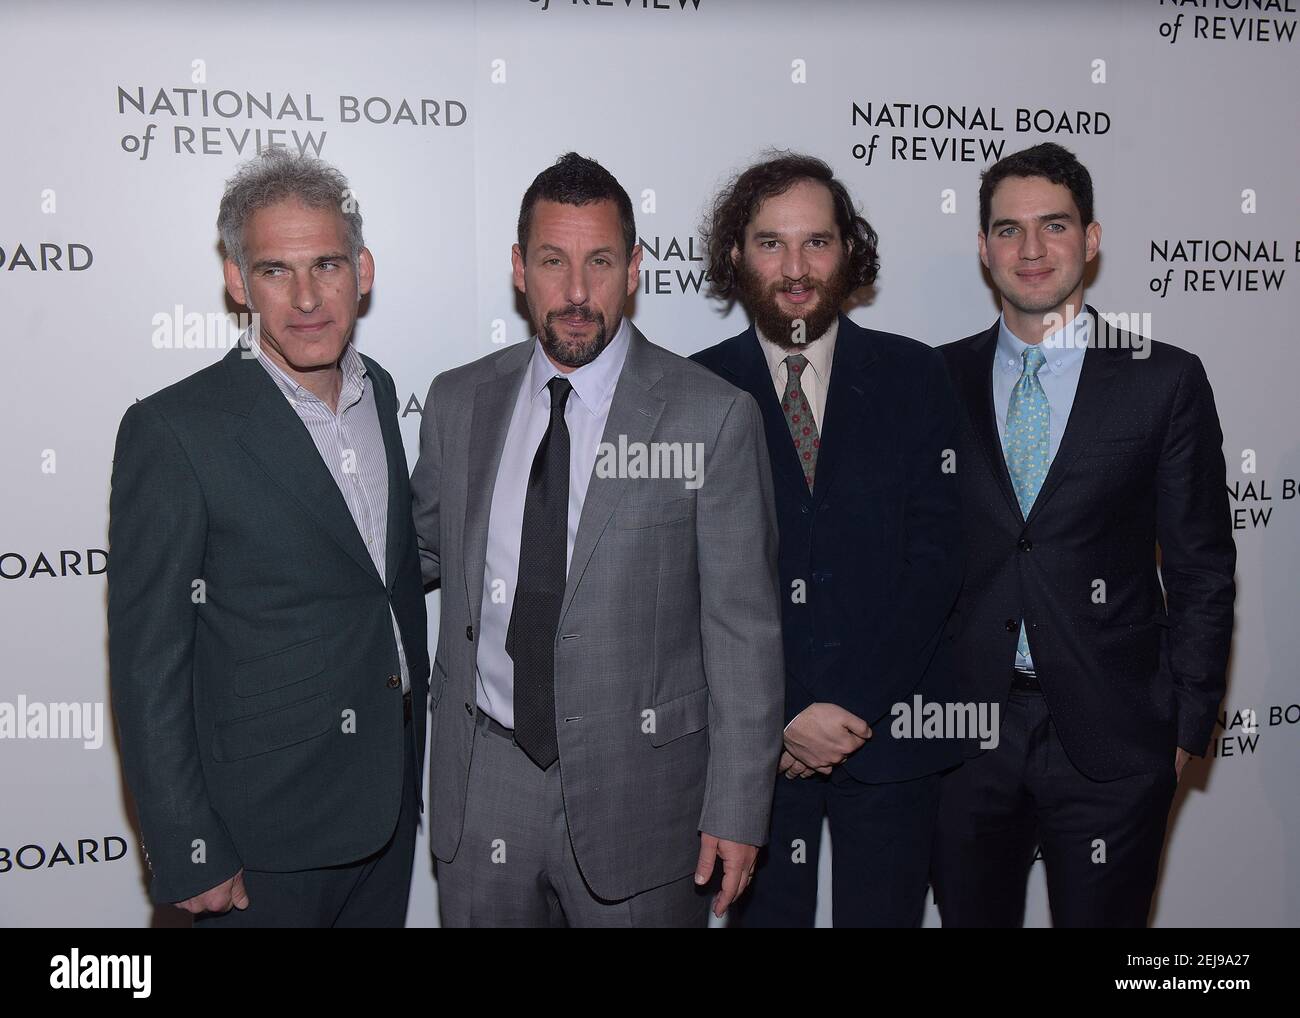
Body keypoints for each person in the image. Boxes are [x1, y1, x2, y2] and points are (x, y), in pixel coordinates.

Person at [410, 152, 784, 927]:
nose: (577, 292)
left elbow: (744, 631)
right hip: (485, 783)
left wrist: (741, 807)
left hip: (643, 793)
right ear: (519, 268)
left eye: (600, 261)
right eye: (553, 261)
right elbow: (413, 554)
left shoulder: (709, 417)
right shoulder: (458, 402)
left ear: (636, 268)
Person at [108, 149, 429, 927]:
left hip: (385, 812)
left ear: (364, 269)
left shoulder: (379, 390)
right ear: (236, 281)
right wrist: (188, 848)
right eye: (276, 271)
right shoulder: (175, 431)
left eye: (326, 264)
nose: (308, 297)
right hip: (258, 842)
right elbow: (148, 666)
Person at [931, 142, 1236, 927]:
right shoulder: (932, 381)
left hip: (1115, 739)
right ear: (982, 247)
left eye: (1053, 225)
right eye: (1008, 230)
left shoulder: (1162, 379)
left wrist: (1185, 724)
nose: (1030, 250)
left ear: (1091, 240)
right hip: (962, 739)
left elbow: (1202, 566)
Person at [692, 152, 964, 927]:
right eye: (771, 242)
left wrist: (847, 705)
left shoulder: (916, 377)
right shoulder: (694, 390)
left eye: (817, 241)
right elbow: (689, 588)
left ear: (849, 250)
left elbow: (936, 562)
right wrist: (779, 714)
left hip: (891, 742)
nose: (795, 266)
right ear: (736, 255)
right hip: (753, 760)